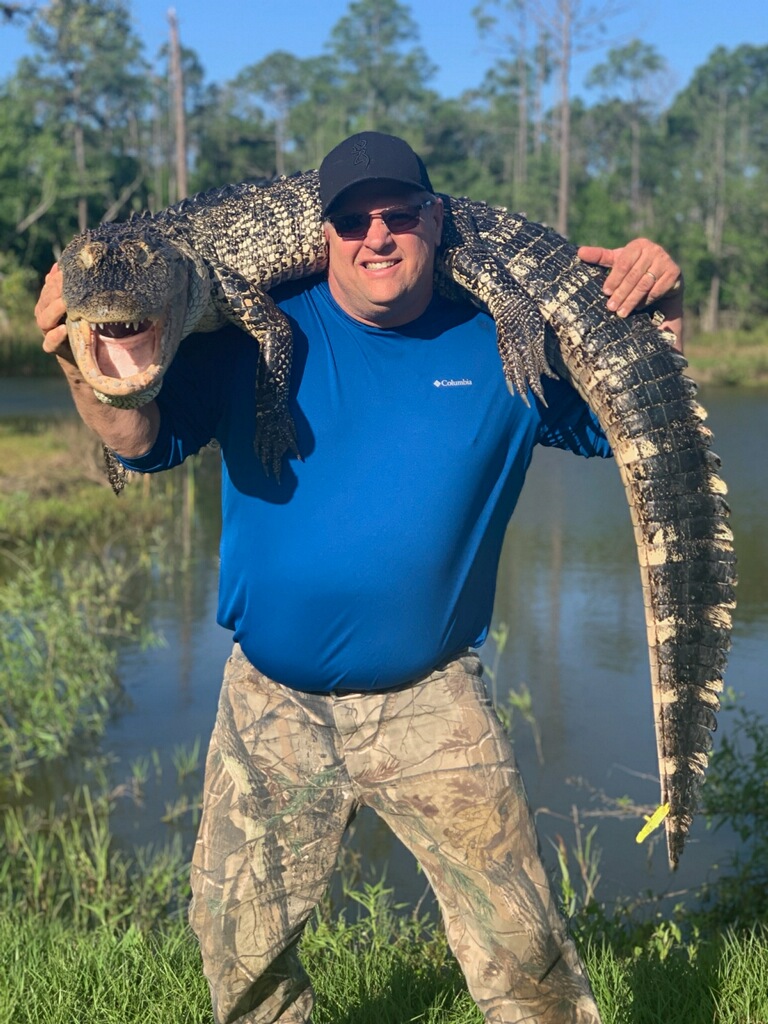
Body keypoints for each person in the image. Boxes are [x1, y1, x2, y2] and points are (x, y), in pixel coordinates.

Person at [36, 131, 683, 1024]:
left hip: (435, 702)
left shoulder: (500, 338)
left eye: (398, 214)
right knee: (235, 941)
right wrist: (78, 347)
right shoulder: (252, 332)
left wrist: (650, 318)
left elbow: (638, 437)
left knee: (523, 948)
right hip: (270, 703)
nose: (375, 236)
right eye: (350, 219)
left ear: (436, 219)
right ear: (323, 228)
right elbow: (140, 443)